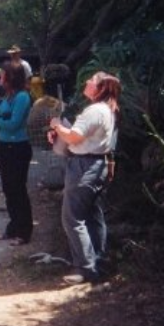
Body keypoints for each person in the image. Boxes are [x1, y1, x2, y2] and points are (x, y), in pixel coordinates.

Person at [49, 71, 121, 284]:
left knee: (72, 217)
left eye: (92, 80)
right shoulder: (107, 109)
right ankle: (97, 260)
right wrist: (62, 132)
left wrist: (56, 126)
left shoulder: (94, 111)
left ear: (100, 89)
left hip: (84, 166)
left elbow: (74, 136)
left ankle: (85, 268)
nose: (88, 81)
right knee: (92, 215)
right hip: (98, 165)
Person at [0, 61, 33, 245]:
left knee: (18, 189)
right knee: (8, 190)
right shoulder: (8, 96)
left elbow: (13, 124)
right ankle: (13, 227)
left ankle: (24, 232)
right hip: (5, 147)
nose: (0, 77)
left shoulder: (22, 97)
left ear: (11, 76)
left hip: (18, 148)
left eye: (3, 74)